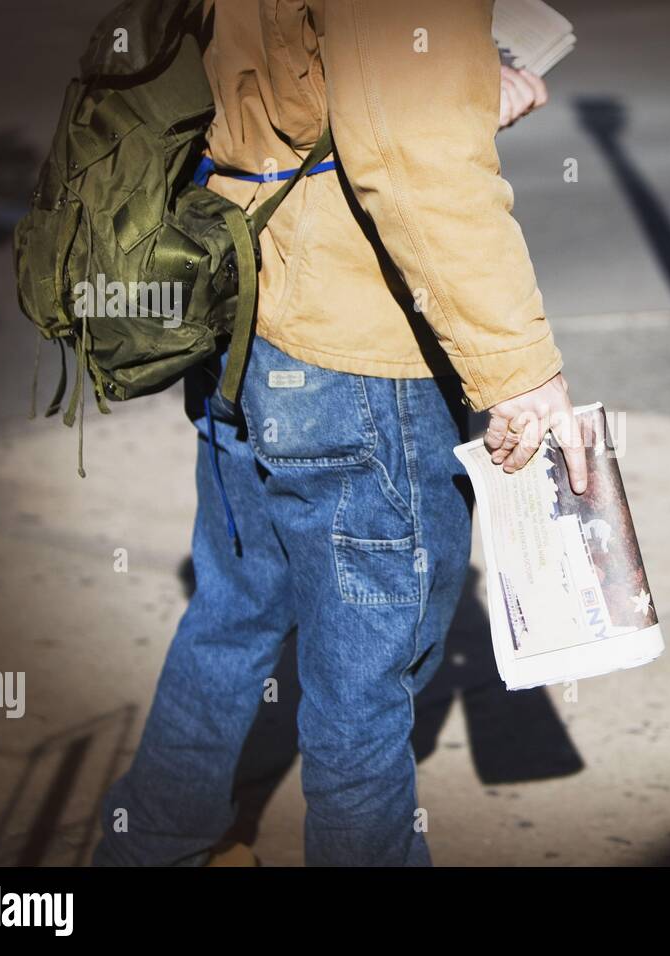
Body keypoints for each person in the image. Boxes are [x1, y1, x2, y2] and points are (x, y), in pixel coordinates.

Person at [93, 0, 587, 867]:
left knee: (231, 613)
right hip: (353, 348)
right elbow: (413, 162)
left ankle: (151, 850)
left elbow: (302, 85)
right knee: (363, 692)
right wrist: (522, 376)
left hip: (236, 304)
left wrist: (458, 82)